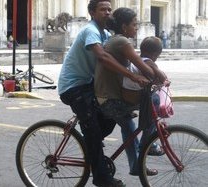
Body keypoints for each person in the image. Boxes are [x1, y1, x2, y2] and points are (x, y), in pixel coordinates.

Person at [58, 1, 150, 186]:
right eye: (103, 9)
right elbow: (103, 57)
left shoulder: (106, 34)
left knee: (109, 118)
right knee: (92, 130)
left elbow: (122, 55)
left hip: (89, 85)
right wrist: (132, 75)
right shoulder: (90, 31)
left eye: (109, 9)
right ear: (92, 12)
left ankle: (90, 148)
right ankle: (101, 177)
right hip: (74, 87)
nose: (108, 13)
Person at [94, 8, 163, 177]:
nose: (137, 27)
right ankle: (149, 146)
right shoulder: (122, 42)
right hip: (111, 99)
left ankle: (136, 166)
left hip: (108, 95)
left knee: (129, 127)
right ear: (124, 27)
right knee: (153, 99)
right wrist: (156, 72)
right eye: (134, 24)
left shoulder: (116, 40)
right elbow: (143, 67)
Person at [122, 36, 168, 160]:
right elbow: (161, 77)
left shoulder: (138, 58)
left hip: (129, 92)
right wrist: (164, 79)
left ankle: (147, 139)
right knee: (154, 104)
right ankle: (147, 143)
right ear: (155, 54)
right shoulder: (148, 61)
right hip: (136, 95)